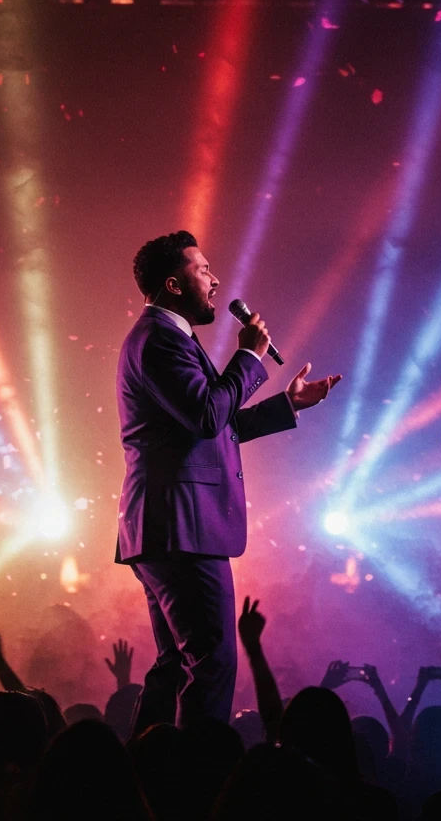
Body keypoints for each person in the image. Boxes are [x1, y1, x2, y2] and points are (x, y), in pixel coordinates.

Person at [117, 231, 341, 732]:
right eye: (203, 270)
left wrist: (287, 404)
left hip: (167, 527)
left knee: (176, 665)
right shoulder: (159, 340)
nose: (215, 280)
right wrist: (250, 358)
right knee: (212, 661)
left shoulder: (166, 338)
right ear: (173, 284)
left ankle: (143, 765)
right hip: (182, 528)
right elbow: (206, 416)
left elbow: (215, 425)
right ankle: (200, 770)